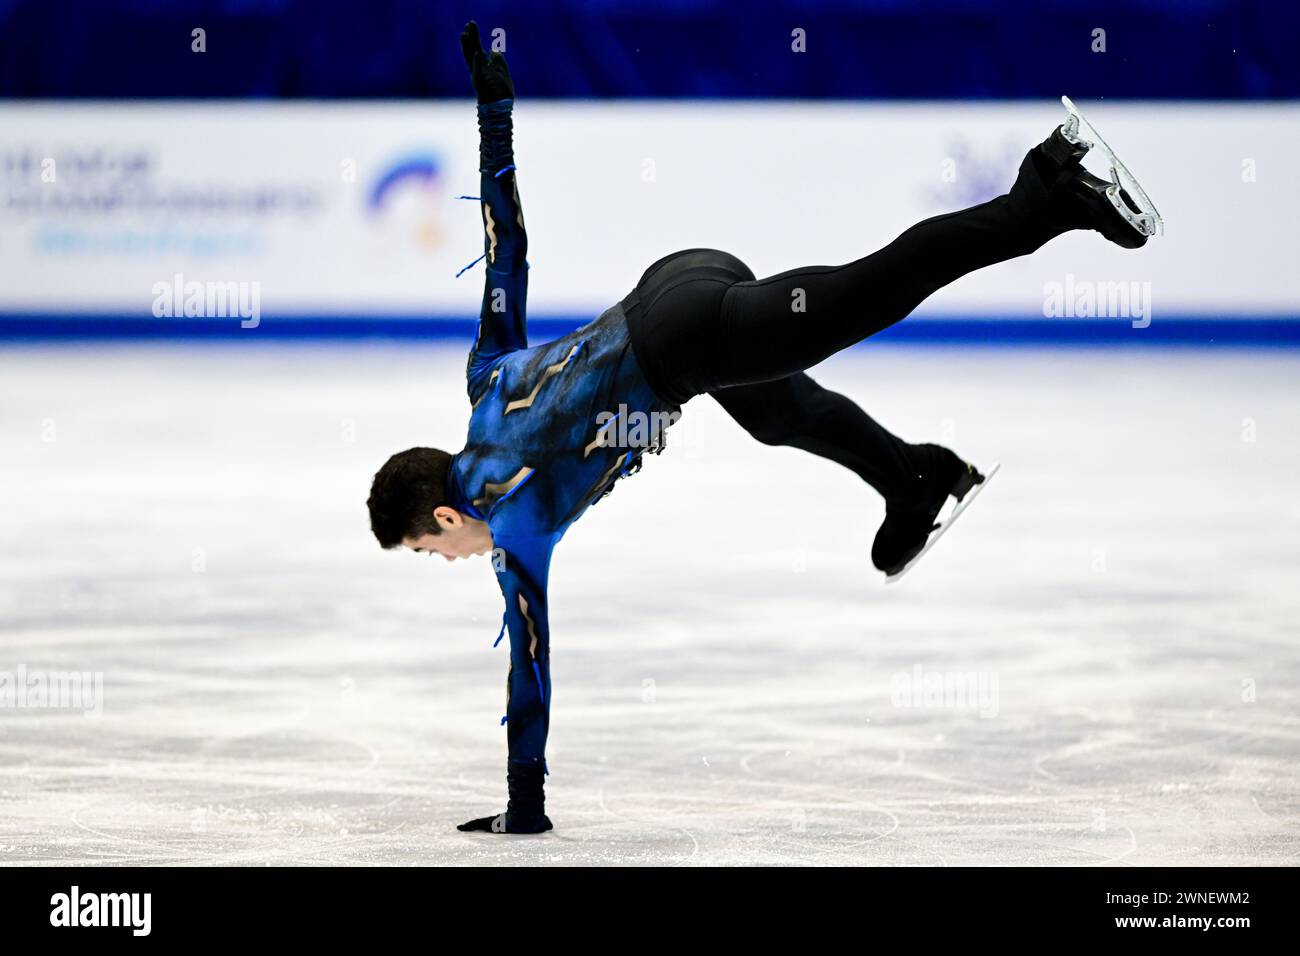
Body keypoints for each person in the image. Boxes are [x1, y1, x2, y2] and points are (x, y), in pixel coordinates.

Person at [365, 22, 1158, 834]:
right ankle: (914, 480)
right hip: (678, 283)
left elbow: (528, 669)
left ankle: (1047, 193)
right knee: (779, 412)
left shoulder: (518, 527)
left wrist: (523, 809)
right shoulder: (483, 382)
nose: (448, 561)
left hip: (692, 341)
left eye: (432, 552)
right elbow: (506, 250)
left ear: (446, 516)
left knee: (875, 288)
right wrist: (493, 108)